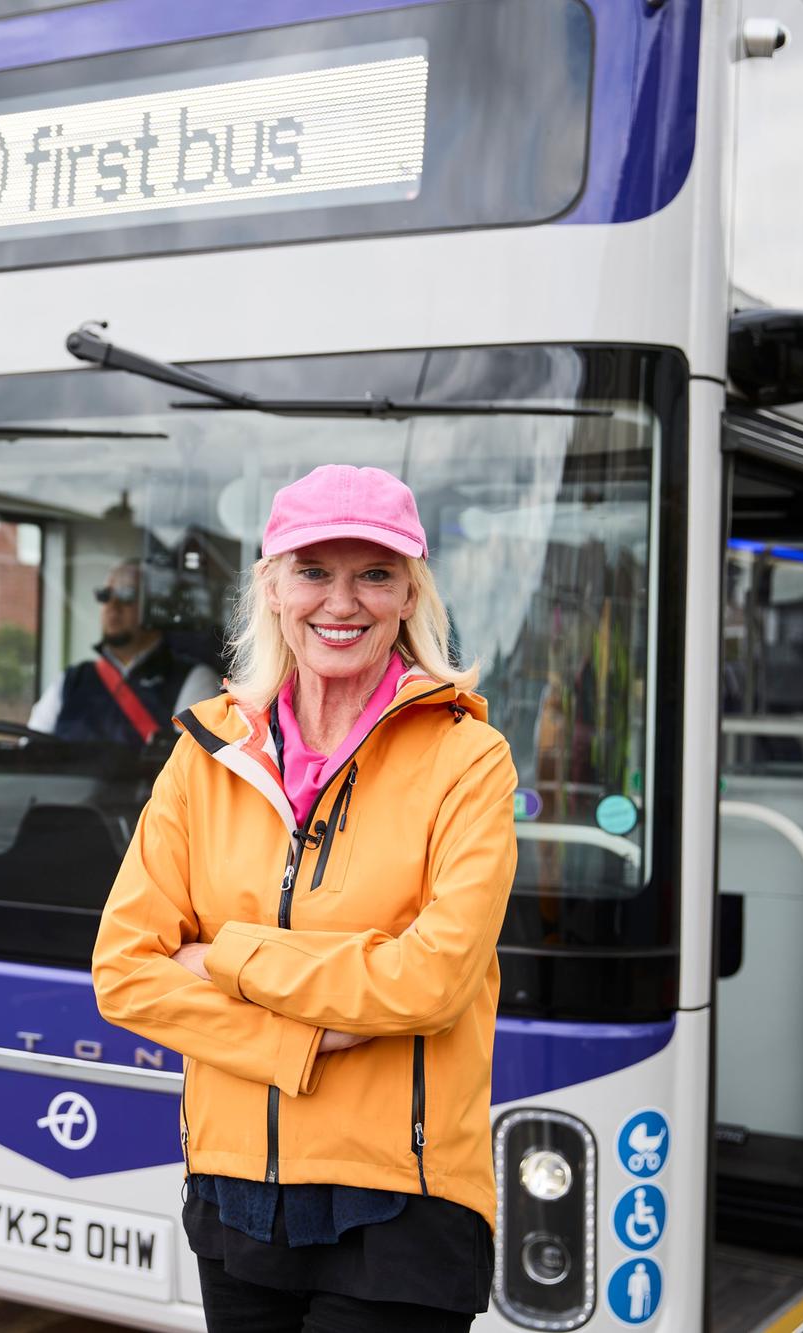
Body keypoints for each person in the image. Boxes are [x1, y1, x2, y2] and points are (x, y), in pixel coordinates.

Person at [92, 464, 517, 1332]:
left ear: (410, 594)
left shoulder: (471, 759)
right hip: (235, 1191)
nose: (342, 601)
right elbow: (125, 973)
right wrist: (306, 1037)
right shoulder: (205, 754)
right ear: (274, 587)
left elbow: (432, 981)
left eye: (375, 574)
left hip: (404, 1200)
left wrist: (224, 956)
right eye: (315, 571)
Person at [27, 558, 220, 744]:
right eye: (105, 595)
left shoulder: (194, 679)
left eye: (127, 595)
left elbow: (190, 760)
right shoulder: (71, 681)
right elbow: (30, 749)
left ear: (156, 607)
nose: (112, 606)